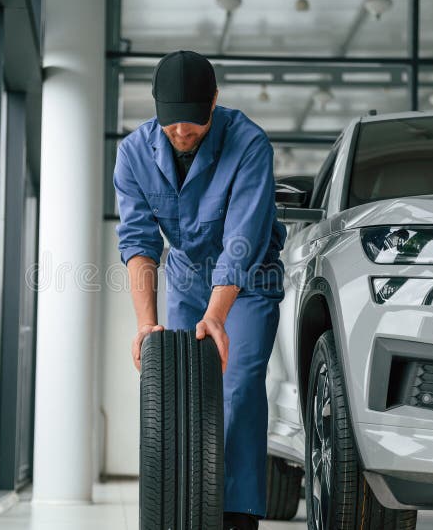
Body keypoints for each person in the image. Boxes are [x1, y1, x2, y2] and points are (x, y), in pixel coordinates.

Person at [113, 50, 286, 530]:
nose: (183, 133)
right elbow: (139, 242)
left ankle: (236, 512)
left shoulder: (248, 143)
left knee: (240, 382)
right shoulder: (132, 154)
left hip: (250, 278)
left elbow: (244, 236)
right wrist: (147, 324)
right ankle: (185, 499)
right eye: (172, 124)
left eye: (193, 122)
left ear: (214, 100)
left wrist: (216, 315)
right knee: (182, 388)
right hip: (187, 277)